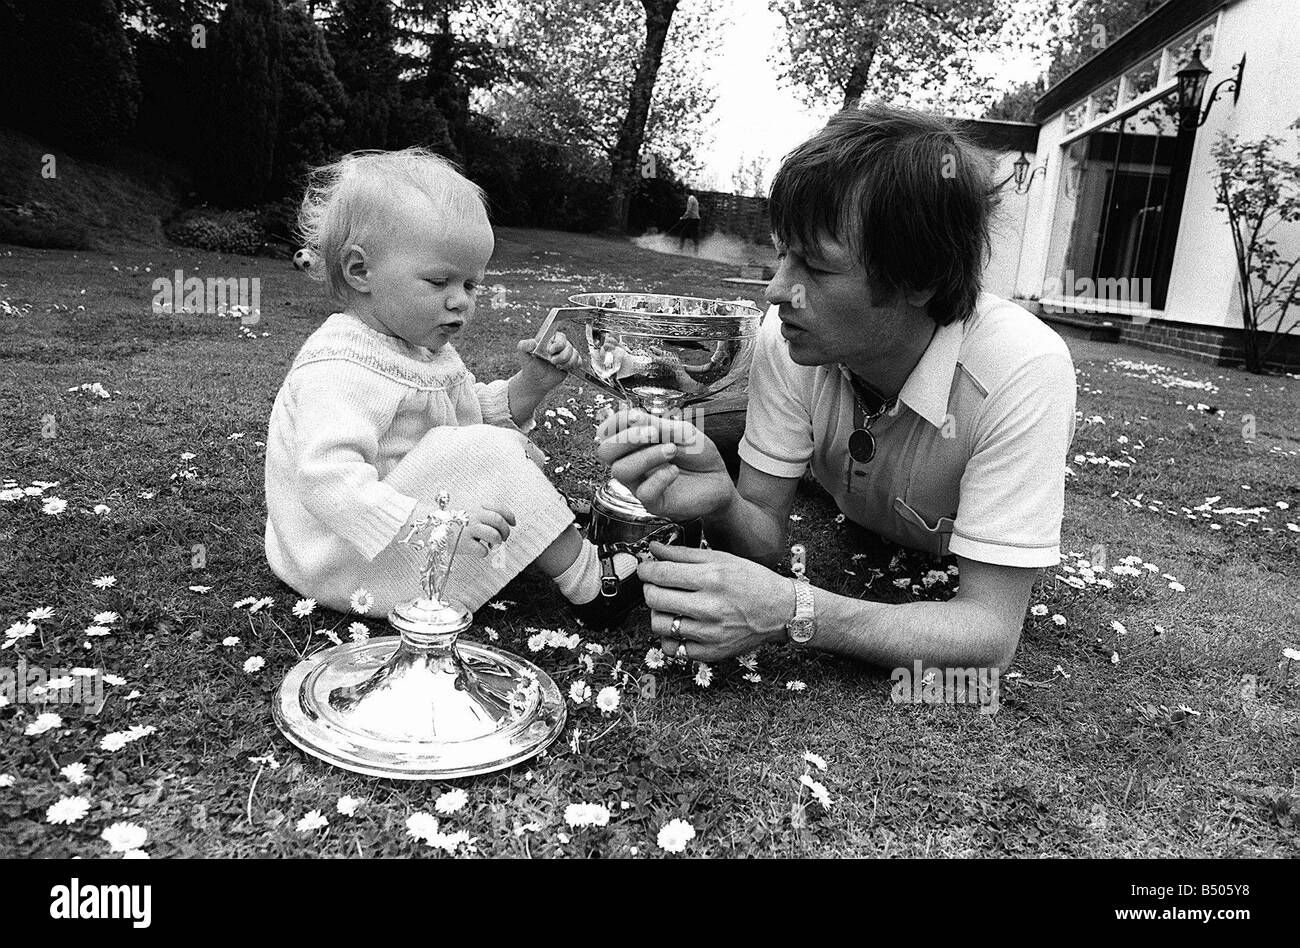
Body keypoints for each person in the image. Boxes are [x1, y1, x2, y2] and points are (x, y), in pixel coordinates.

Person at [596, 105, 1077, 672]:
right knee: (700, 427)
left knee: (717, 420)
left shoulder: (1024, 371)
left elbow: (988, 634)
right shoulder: (789, 338)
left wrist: (796, 611)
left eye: (817, 268)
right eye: (783, 254)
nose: (778, 291)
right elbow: (763, 535)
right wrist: (724, 505)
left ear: (920, 278)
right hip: (819, 462)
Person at [264, 148, 643, 628]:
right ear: (360, 271)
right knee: (487, 451)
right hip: (347, 559)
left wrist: (531, 384)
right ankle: (592, 582)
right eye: (439, 280)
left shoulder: (418, 347)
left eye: (471, 284)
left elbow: (465, 416)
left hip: (405, 533)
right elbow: (327, 481)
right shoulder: (340, 367)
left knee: (484, 448)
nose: (460, 300)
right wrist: (437, 526)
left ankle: (553, 534)